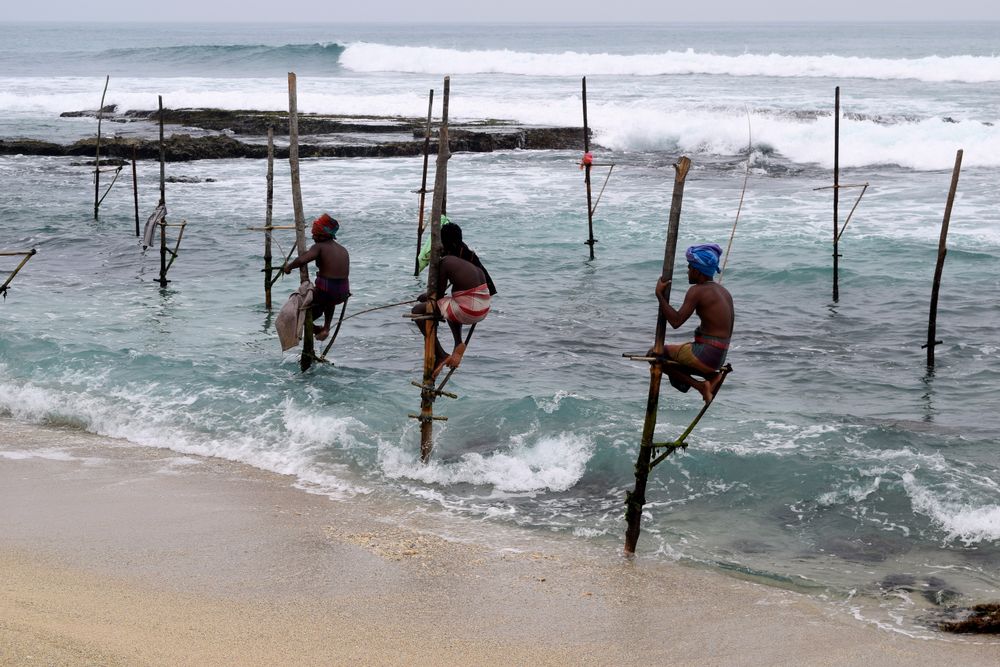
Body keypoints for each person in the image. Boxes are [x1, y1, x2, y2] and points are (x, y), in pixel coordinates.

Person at [653, 243, 734, 402]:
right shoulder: (724, 292)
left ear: (697, 270)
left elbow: (676, 322)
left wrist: (659, 295)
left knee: (655, 354)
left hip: (705, 354)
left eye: (690, 267)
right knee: (674, 357)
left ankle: (701, 386)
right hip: (719, 356)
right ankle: (711, 376)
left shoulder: (697, 290)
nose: (688, 271)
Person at [412, 223, 492, 378]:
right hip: (483, 307)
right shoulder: (469, 260)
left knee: (417, 311)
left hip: (468, 310)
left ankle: (441, 355)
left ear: (445, 244)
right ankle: (458, 343)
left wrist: (425, 297)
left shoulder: (446, 262)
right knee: (450, 303)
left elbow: (438, 295)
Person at [283, 213, 350, 341]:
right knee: (329, 301)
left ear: (321, 235)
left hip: (327, 291)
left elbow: (302, 259)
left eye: (314, 234)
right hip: (342, 292)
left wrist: (289, 267)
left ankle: (314, 329)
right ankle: (326, 327)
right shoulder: (343, 249)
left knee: (299, 313)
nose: (312, 236)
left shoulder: (319, 247)